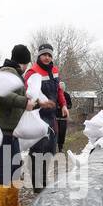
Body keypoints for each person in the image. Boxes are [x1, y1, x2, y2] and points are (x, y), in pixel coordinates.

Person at [0, 45, 35, 206]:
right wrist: (24, 102)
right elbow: (3, 96)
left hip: (11, 130)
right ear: (23, 62)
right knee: (6, 167)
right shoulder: (8, 74)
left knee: (15, 165)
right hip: (3, 129)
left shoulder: (14, 74)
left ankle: (11, 204)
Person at [22, 43, 65, 191]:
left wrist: (64, 105)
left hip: (52, 117)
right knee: (38, 151)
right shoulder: (32, 72)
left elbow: (59, 90)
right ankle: (37, 186)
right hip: (37, 117)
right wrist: (39, 102)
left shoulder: (54, 70)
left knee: (50, 150)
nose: (47, 57)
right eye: (44, 54)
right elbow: (28, 93)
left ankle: (44, 181)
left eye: (49, 55)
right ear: (39, 55)